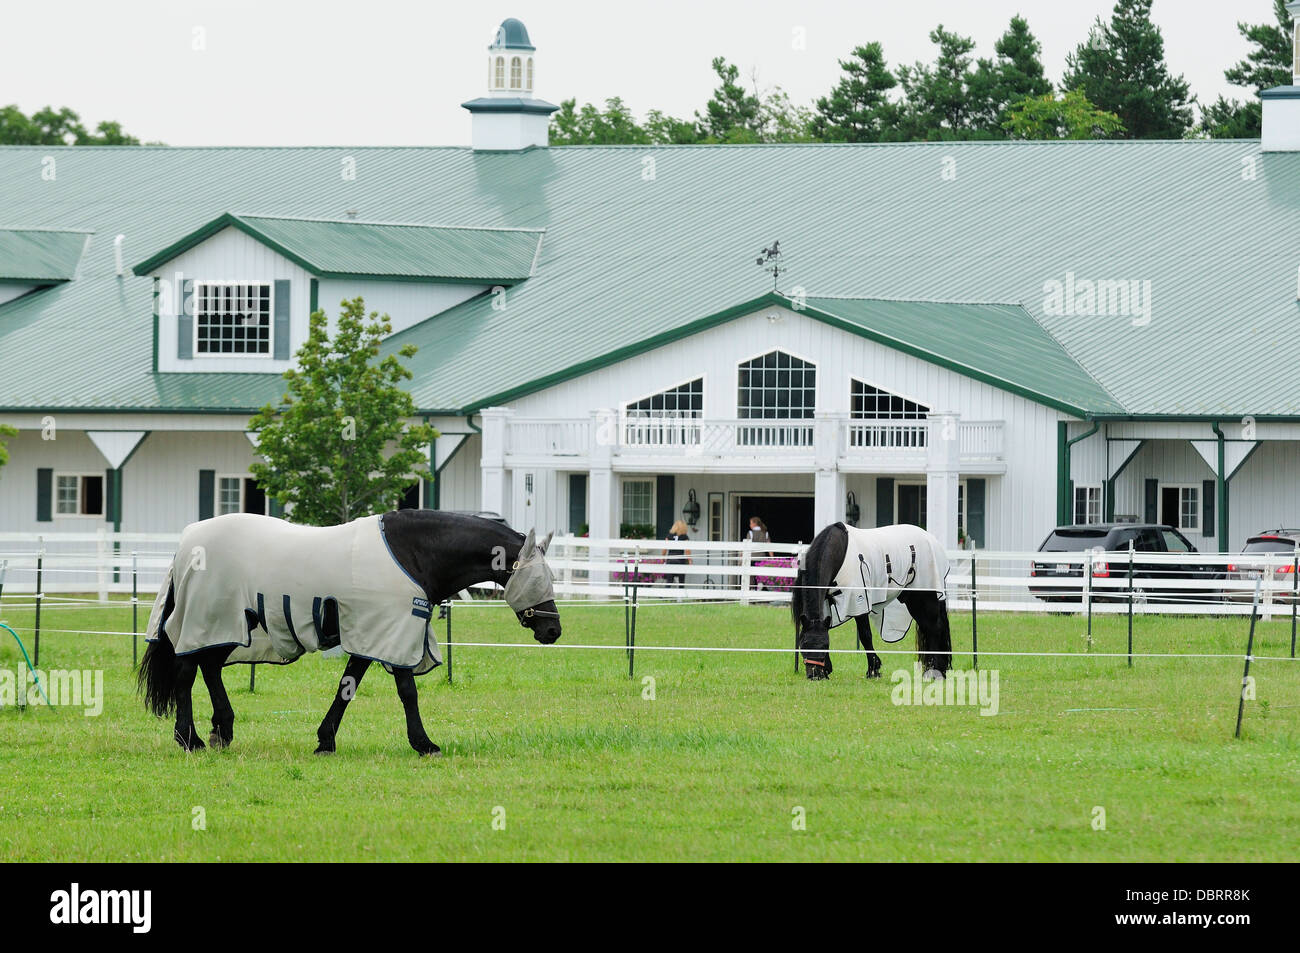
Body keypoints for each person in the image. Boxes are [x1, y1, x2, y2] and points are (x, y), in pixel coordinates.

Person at [664, 520, 691, 588]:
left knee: (669, 580)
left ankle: (666, 595)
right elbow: (687, 550)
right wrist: (690, 560)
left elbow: (664, 548)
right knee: (681, 580)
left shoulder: (669, 536)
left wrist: (662, 557)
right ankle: (680, 595)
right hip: (680, 560)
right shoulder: (684, 536)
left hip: (670, 559)